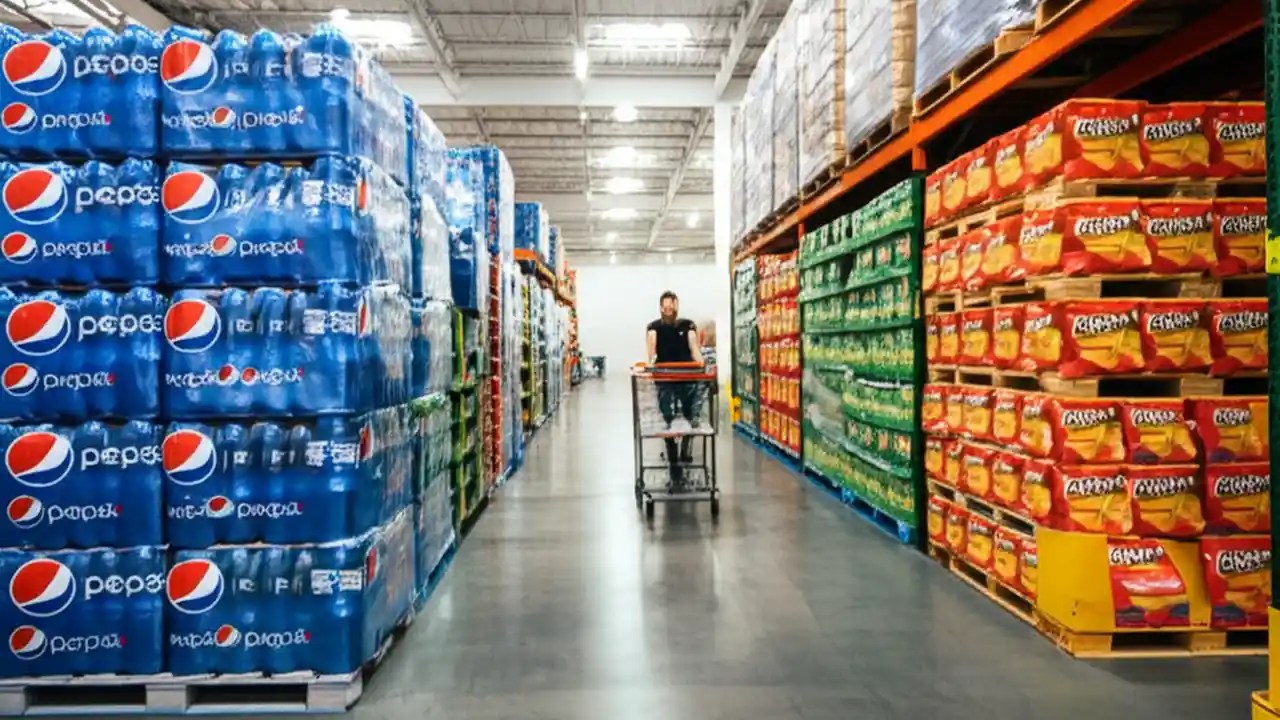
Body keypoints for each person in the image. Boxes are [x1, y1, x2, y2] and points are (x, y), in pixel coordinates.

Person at [646, 291, 703, 487]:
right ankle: (672, 454)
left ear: (677, 307)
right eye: (666, 307)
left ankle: (685, 447)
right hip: (664, 377)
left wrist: (701, 363)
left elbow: (694, 347)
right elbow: (652, 349)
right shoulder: (654, 328)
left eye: (672, 306)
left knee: (689, 412)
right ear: (661, 307)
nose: (669, 310)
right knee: (667, 413)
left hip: (686, 376)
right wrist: (651, 362)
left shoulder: (687, 326)